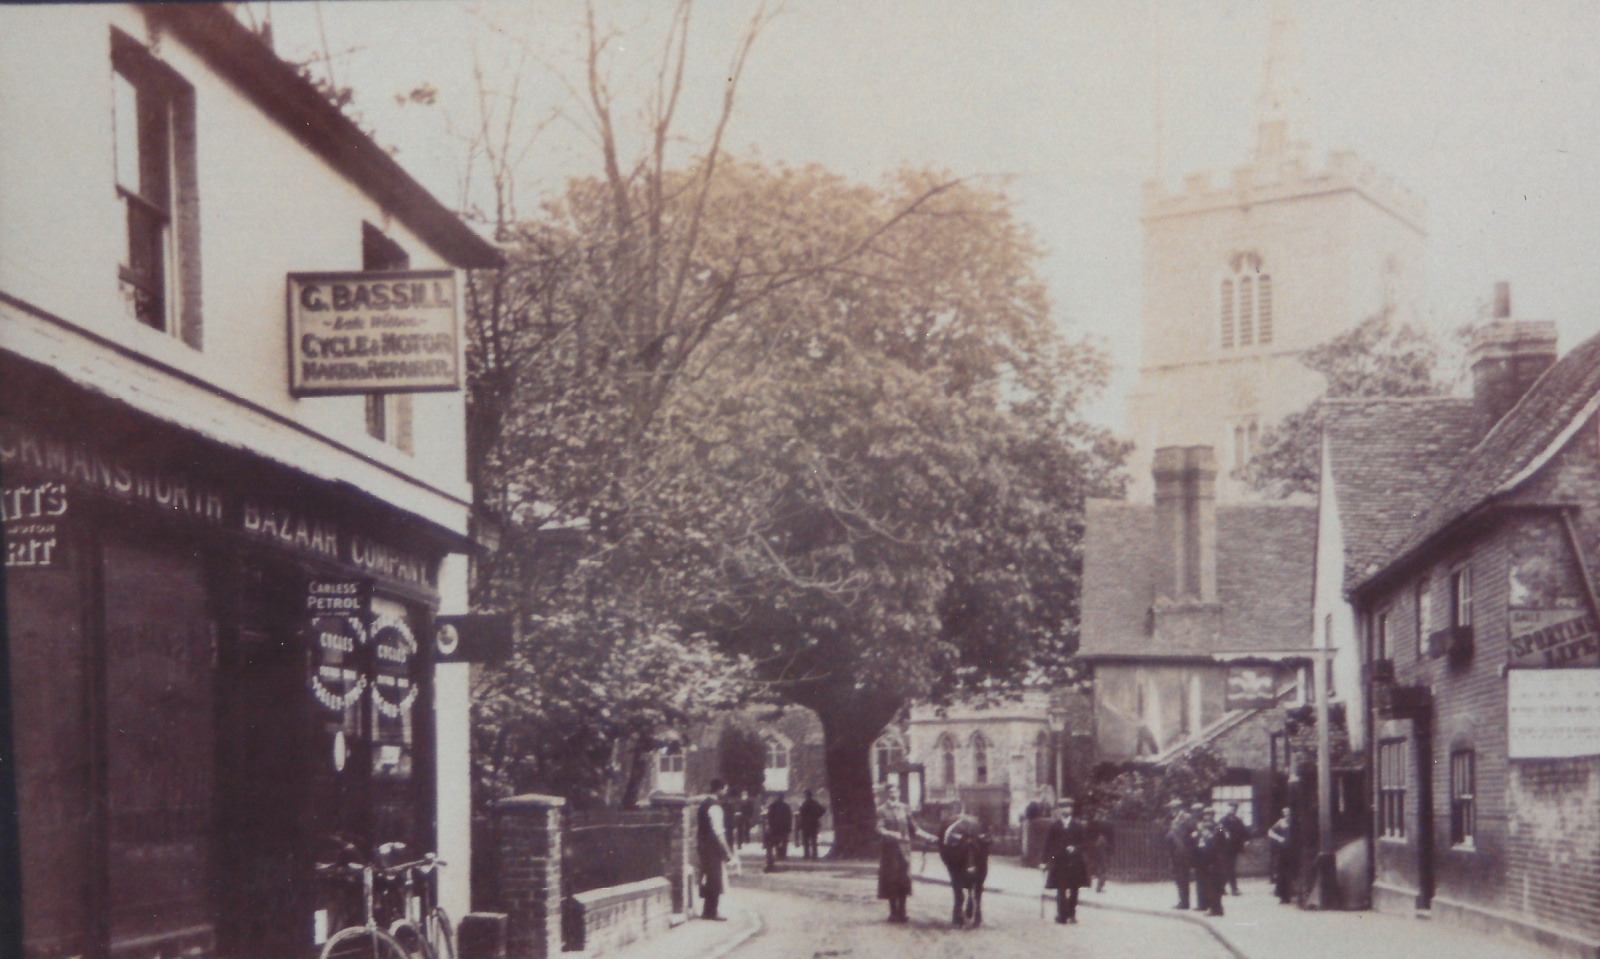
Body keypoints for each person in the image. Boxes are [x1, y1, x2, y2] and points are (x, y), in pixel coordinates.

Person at [876, 781, 936, 923]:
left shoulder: (904, 808)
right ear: (887, 794)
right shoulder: (881, 810)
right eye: (890, 792)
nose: (893, 794)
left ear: (899, 793)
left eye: (895, 791)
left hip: (904, 850)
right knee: (891, 880)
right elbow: (879, 828)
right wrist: (891, 834)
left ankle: (902, 912)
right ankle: (893, 912)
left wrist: (928, 836)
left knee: (903, 879)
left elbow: (914, 828)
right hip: (890, 850)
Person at [1041, 798, 1090, 923]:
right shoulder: (1054, 825)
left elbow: (1085, 843)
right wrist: (1044, 861)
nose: (1065, 809)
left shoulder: (1078, 825)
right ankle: (1062, 915)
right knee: (1061, 888)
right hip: (1059, 861)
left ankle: (1071, 914)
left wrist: (1075, 848)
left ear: (1072, 809)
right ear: (1059, 810)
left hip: (1075, 862)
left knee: (1074, 889)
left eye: (1067, 807)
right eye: (1062, 807)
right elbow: (1048, 844)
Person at [696, 779, 735, 921]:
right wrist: (727, 851)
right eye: (724, 789)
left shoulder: (703, 805)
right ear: (718, 789)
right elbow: (719, 832)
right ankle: (711, 912)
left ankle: (708, 911)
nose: (725, 792)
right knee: (715, 879)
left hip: (703, 846)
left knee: (709, 878)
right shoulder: (715, 807)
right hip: (712, 848)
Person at [1192, 807, 1226, 916]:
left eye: (1210, 815)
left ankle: (1216, 909)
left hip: (1215, 859)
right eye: (1206, 815)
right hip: (1204, 859)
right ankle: (1212, 907)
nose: (1208, 817)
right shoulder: (1202, 827)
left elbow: (1222, 838)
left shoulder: (1218, 827)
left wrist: (1211, 836)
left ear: (1213, 815)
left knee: (1215, 885)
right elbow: (1197, 839)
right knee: (1208, 884)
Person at [1164, 799, 1197, 910]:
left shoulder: (1187, 818)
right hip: (1176, 853)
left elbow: (1193, 834)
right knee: (1179, 878)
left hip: (1183, 853)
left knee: (1183, 877)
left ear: (1177, 808)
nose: (1170, 811)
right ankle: (1182, 901)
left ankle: (1185, 903)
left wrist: (1189, 849)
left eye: (1172, 808)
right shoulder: (1175, 820)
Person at [1267, 807, 1296, 905]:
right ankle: (1283, 896)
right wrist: (1279, 838)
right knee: (1282, 873)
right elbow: (1270, 832)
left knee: (1291, 873)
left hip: (1293, 850)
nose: (1287, 814)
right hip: (1283, 850)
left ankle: (1291, 894)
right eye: (1285, 812)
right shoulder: (1281, 822)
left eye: (1288, 812)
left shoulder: (1294, 822)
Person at [1219, 802, 1248, 896]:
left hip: (1234, 848)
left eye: (1234, 808)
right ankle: (1232, 888)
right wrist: (1223, 833)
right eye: (1231, 808)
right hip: (1224, 847)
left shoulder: (1238, 820)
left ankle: (1223, 888)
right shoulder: (1223, 820)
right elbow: (1218, 830)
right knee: (1228, 868)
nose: (1232, 810)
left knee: (1229, 868)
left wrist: (1246, 841)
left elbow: (1244, 832)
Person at [1086, 814, 1116, 893]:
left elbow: (1086, 835)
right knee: (1103, 868)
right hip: (1103, 849)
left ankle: (1088, 883)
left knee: (1090, 865)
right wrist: (1112, 849)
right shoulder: (1108, 824)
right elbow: (1111, 838)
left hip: (1092, 847)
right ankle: (1099, 886)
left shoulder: (1091, 823)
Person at [763, 794, 793, 872]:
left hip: (775, 827)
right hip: (784, 827)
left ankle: (777, 854)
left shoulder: (772, 806)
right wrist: (789, 826)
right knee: (784, 841)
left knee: (775, 841)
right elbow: (789, 817)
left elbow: (769, 816)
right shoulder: (786, 806)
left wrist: (770, 825)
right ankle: (782, 854)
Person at [798, 790, 826, 860]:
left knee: (806, 841)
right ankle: (814, 855)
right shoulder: (815, 803)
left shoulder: (805, 804)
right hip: (813, 823)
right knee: (813, 840)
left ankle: (807, 855)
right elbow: (823, 810)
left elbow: (801, 813)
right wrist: (817, 816)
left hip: (806, 824)